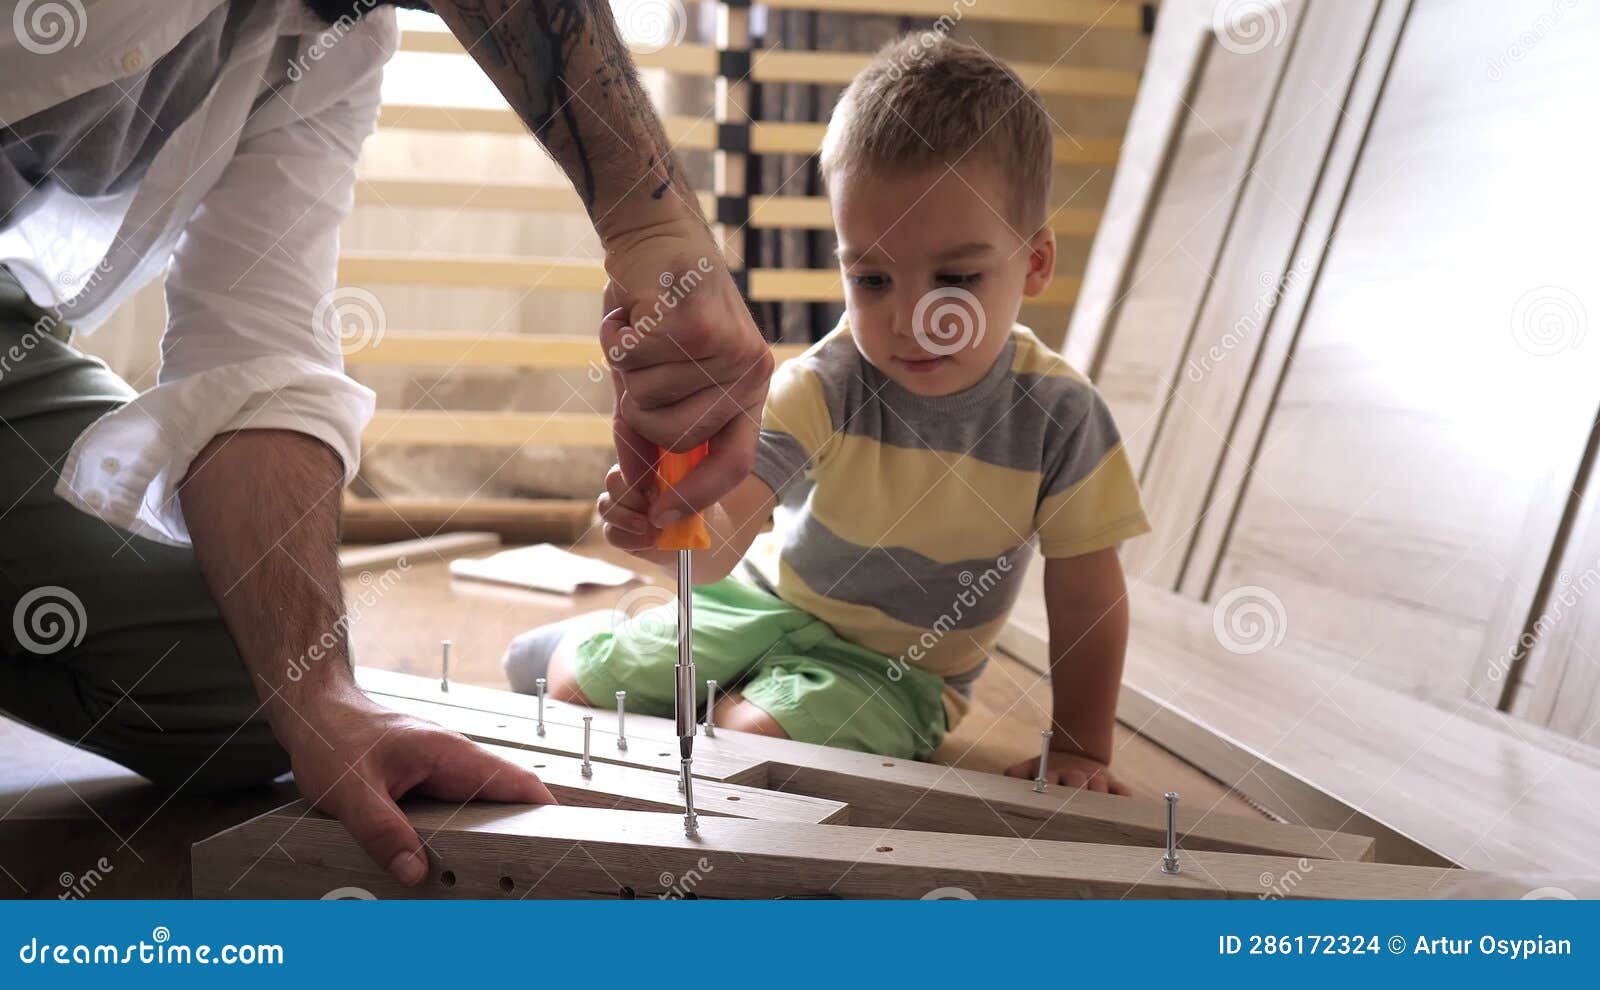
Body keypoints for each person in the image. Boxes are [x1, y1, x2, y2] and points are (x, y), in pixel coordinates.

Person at [0, 0, 770, 887]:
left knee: (244, 688)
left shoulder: (331, 37)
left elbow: (255, 346)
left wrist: (321, 696)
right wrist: (646, 215)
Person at [505, 34, 1150, 794]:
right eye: (872, 278)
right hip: (752, 605)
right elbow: (716, 551)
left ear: (1034, 263)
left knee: (757, 757)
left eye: (958, 276)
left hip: (891, 670)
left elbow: (1086, 597)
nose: (910, 318)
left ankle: (708, 692)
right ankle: (591, 647)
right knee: (580, 694)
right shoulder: (827, 382)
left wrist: (1080, 746)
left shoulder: (1061, 418)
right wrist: (661, 528)